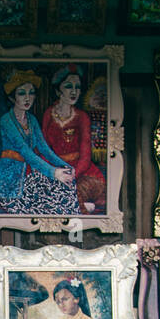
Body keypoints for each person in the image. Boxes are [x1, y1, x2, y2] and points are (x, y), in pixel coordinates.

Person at [0, 70, 79, 215]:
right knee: (50, 202)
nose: (27, 98)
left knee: (65, 187)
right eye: (22, 94)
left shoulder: (31, 119)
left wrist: (65, 166)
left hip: (28, 175)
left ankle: (73, 225)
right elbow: (25, 152)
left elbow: (44, 149)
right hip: (11, 182)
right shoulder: (6, 121)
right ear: (12, 97)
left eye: (31, 93)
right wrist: (54, 172)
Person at [41, 65, 106, 212]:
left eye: (77, 87)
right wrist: (52, 171)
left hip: (82, 172)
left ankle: (80, 207)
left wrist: (71, 175)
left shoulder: (82, 117)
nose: (74, 91)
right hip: (56, 170)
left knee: (72, 192)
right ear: (58, 90)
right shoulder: (48, 114)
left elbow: (86, 156)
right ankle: (82, 207)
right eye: (68, 86)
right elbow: (44, 148)